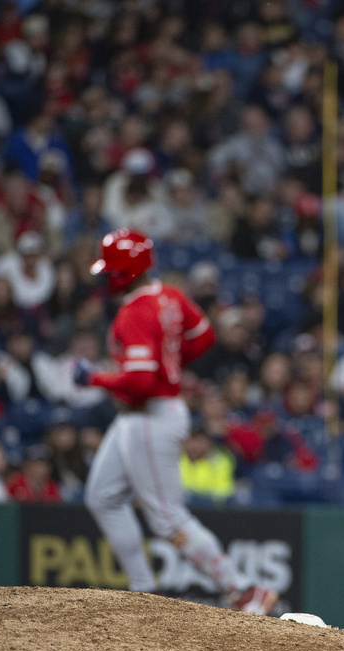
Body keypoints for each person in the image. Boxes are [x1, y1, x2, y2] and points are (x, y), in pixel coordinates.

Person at [74, 228, 277, 614]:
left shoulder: (135, 311)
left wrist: (93, 378)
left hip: (152, 416)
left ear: (125, 273)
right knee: (101, 496)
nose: (106, 277)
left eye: (111, 270)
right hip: (147, 414)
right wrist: (171, 364)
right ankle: (143, 587)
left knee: (168, 519)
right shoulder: (170, 295)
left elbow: (139, 382)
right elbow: (201, 338)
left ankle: (243, 588)